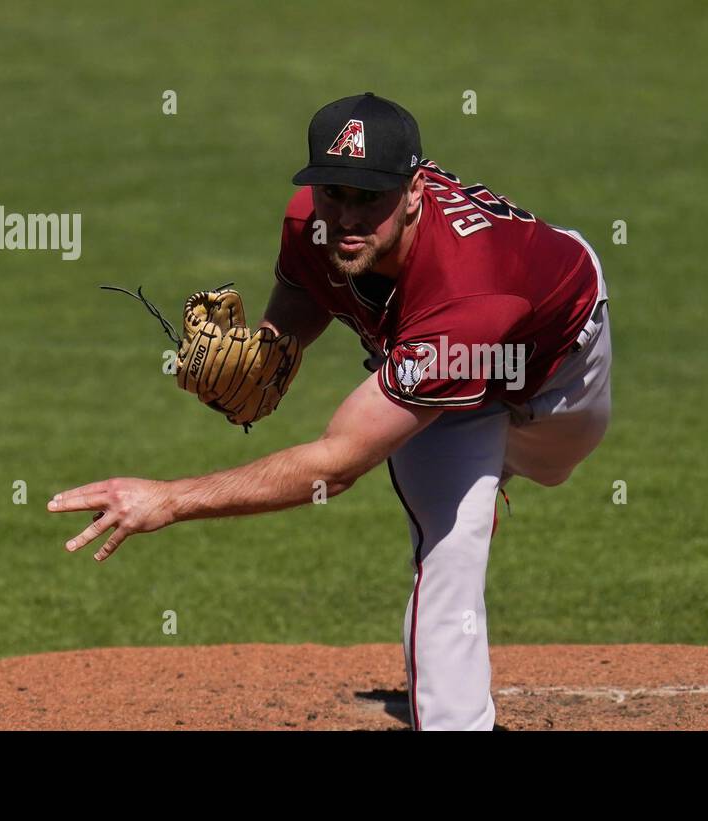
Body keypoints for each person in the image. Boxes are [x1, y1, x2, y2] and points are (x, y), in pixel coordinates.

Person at [48, 92, 612, 731]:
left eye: (370, 197)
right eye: (334, 192)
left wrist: (171, 499)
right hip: (440, 371)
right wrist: (271, 348)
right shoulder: (309, 222)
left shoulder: (468, 295)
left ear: (414, 192)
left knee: (551, 467)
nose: (346, 217)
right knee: (450, 544)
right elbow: (306, 289)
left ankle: (486, 472)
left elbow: (336, 466)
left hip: (560, 370)